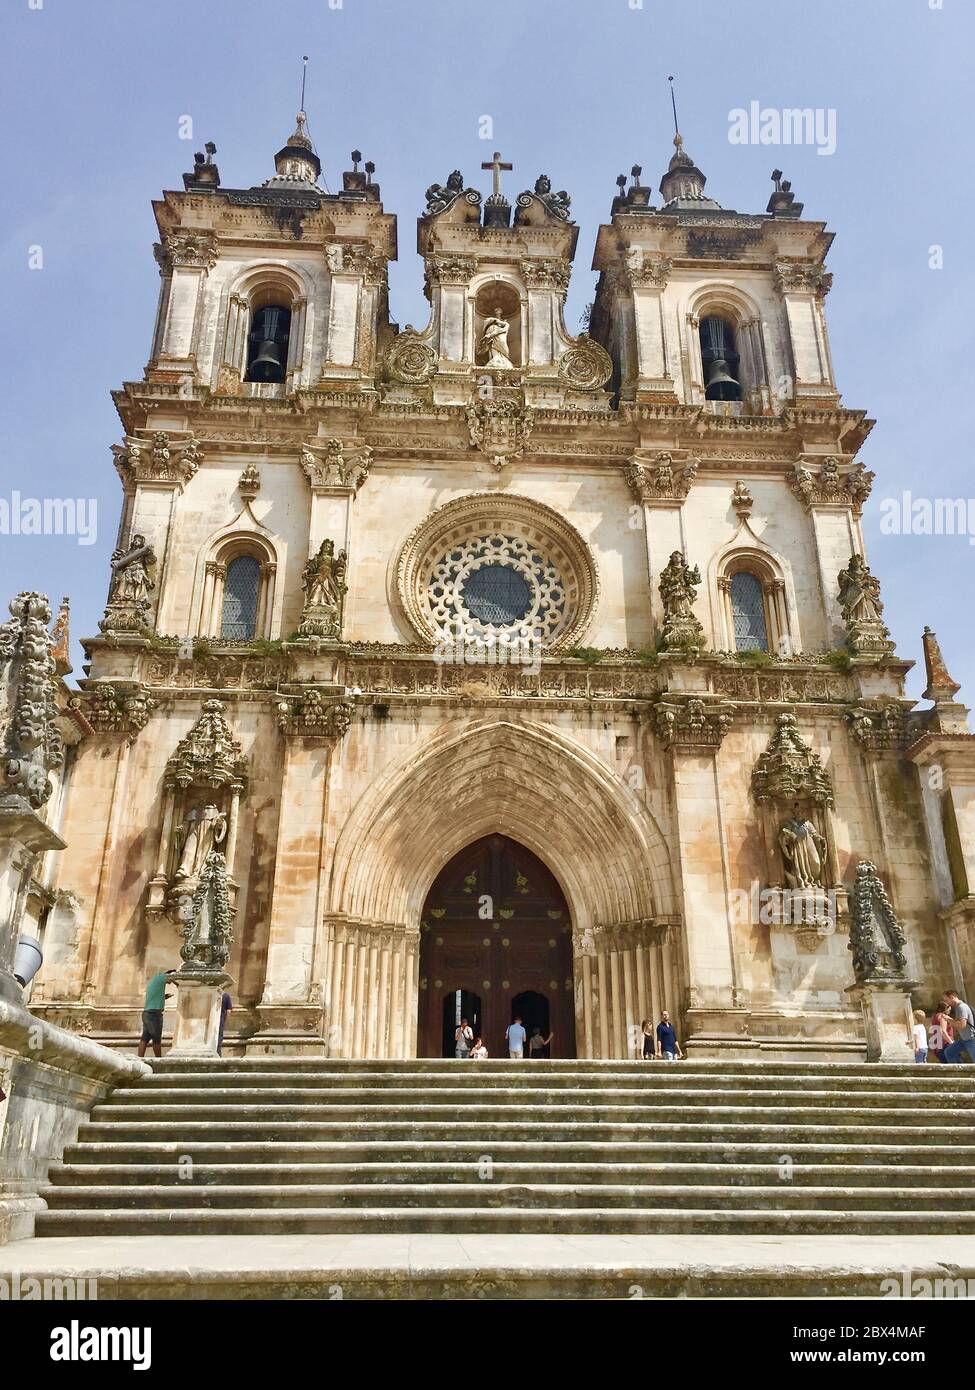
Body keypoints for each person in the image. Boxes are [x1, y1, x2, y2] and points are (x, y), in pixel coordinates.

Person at [138, 968, 176, 1058]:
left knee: (145, 1037)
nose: (169, 983)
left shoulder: (156, 980)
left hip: (147, 1013)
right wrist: (178, 984)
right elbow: (175, 978)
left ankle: (140, 1058)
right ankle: (159, 1059)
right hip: (154, 1014)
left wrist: (164, 997)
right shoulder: (162, 977)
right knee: (157, 1038)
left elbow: (154, 996)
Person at [941, 990, 975, 1064]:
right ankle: (960, 1073)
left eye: (946, 1000)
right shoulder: (957, 1007)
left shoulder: (961, 1007)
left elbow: (962, 1025)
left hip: (971, 1039)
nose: (946, 1003)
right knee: (949, 1052)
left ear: (952, 997)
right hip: (964, 1039)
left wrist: (948, 1019)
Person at [217, 991, 232, 1057]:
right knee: (219, 1038)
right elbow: (229, 1011)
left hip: (211, 1019)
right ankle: (218, 1053)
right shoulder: (226, 996)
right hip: (221, 1019)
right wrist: (226, 1021)